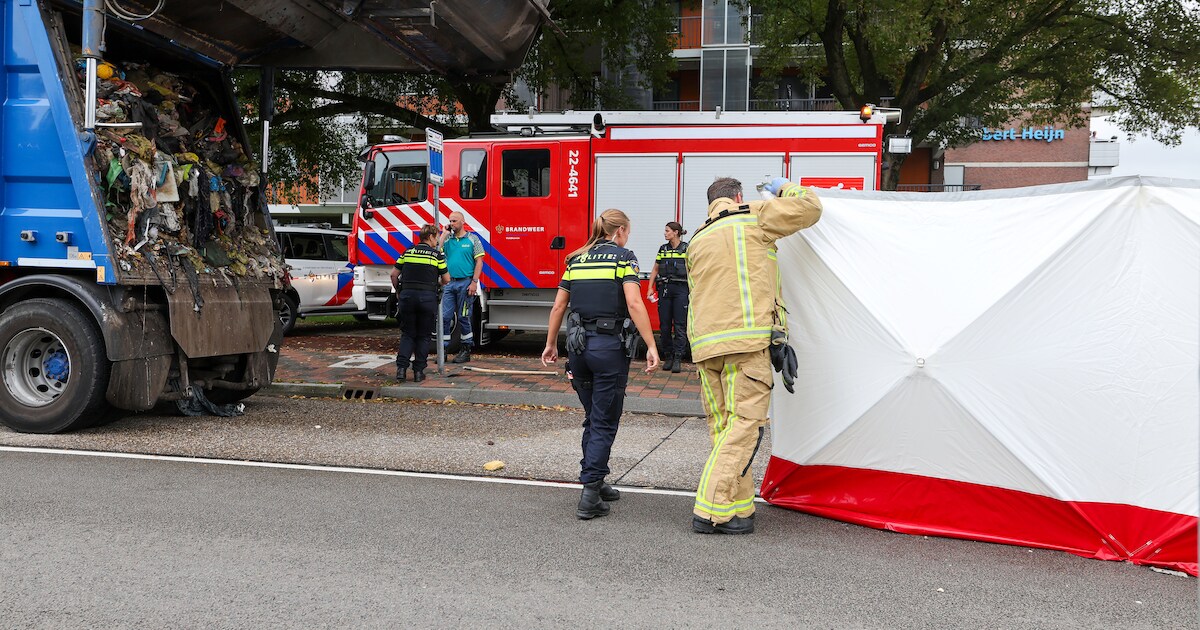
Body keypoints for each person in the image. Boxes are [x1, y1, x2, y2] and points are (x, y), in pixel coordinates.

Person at [686, 176, 822, 535]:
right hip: (746, 344)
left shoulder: (697, 238)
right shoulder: (753, 216)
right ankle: (710, 509)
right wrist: (784, 189)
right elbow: (810, 208)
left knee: (725, 430)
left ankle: (738, 508)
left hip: (706, 348)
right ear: (738, 197)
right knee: (746, 426)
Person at [541, 209, 660, 520]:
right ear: (619, 230)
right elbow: (634, 302)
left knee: (594, 417)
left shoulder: (576, 259)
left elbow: (559, 306)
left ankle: (596, 477)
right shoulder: (624, 258)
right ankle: (590, 493)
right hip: (608, 350)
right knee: (604, 420)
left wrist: (551, 343)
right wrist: (651, 345)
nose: (628, 237)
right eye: (628, 231)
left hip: (578, 350)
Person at [391, 224, 449, 383]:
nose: (437, 241)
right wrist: (436, 285)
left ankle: (401, 370)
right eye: (436, 237)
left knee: (408, 334)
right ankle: (418, 372)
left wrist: (399, 291)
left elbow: (394, 275)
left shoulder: (408, 252)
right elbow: (446, 279)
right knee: (423, 336)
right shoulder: (436, 255)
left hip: (407, 298)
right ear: (430, 237)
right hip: (427, 299)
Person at [438, 211, 485, 364]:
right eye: (450, 221)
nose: (452, 223)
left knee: (464, 317)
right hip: (449, 283)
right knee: (445, 317)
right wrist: (444, 234)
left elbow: (479, 262)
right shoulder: (447, 240)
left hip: (466, 283)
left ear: (462, 222)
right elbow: (436, 251)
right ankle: (443, 350)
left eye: (454, 221)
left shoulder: (472, 239)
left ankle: (466, 350)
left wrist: (474, 282)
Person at [646, 221, 689, 374]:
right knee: (664, 326)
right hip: (665, 289)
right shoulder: (662, 249)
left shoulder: (687, 248)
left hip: (681, 290)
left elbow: (692, 269)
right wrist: (650, 287)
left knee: (679, 325)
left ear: (676, 232)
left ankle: (678, 358)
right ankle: (668, 356)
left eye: (667, 231)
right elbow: (655, 269)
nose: (665, 233)